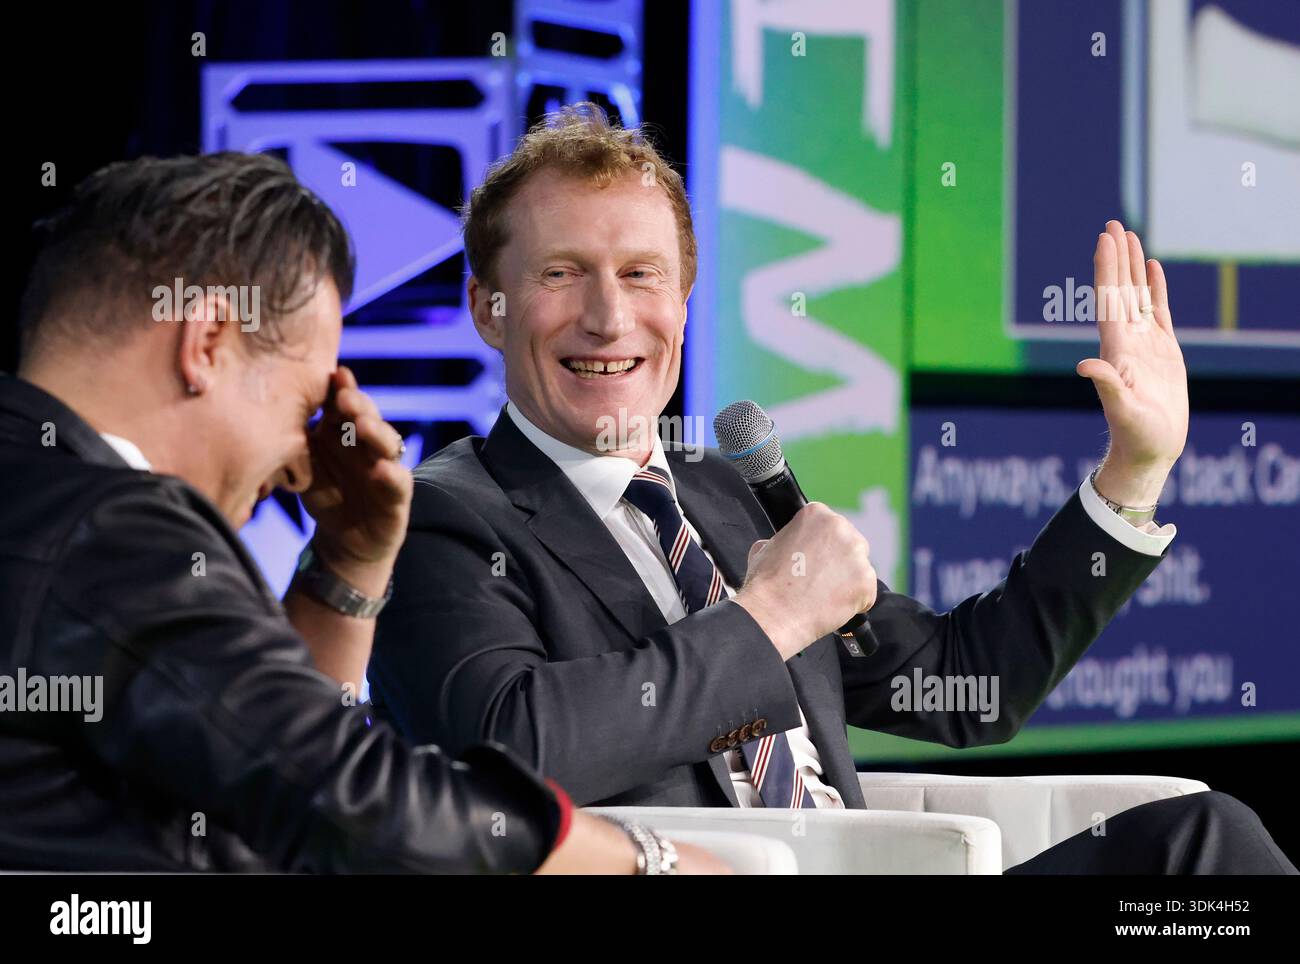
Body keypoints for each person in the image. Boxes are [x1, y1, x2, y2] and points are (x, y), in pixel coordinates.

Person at [367, 105, 1295, 874]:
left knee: (1201, 855)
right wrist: (768, 619)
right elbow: (502, 757)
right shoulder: (444, 516)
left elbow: (963, 689)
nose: (610, 316)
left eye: (642, 274)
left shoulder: (723, 494)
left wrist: (1134, 469)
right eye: (562, 274)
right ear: (490, 305)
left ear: (684, 302)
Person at [0, 151, 722, 874]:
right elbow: (359, 804)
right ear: (208, 344)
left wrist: (346, 565)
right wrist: (654, 864)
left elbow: (259, 773)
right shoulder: (108, 526)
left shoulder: (39, 493)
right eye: (305, 405)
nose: (299, 461)